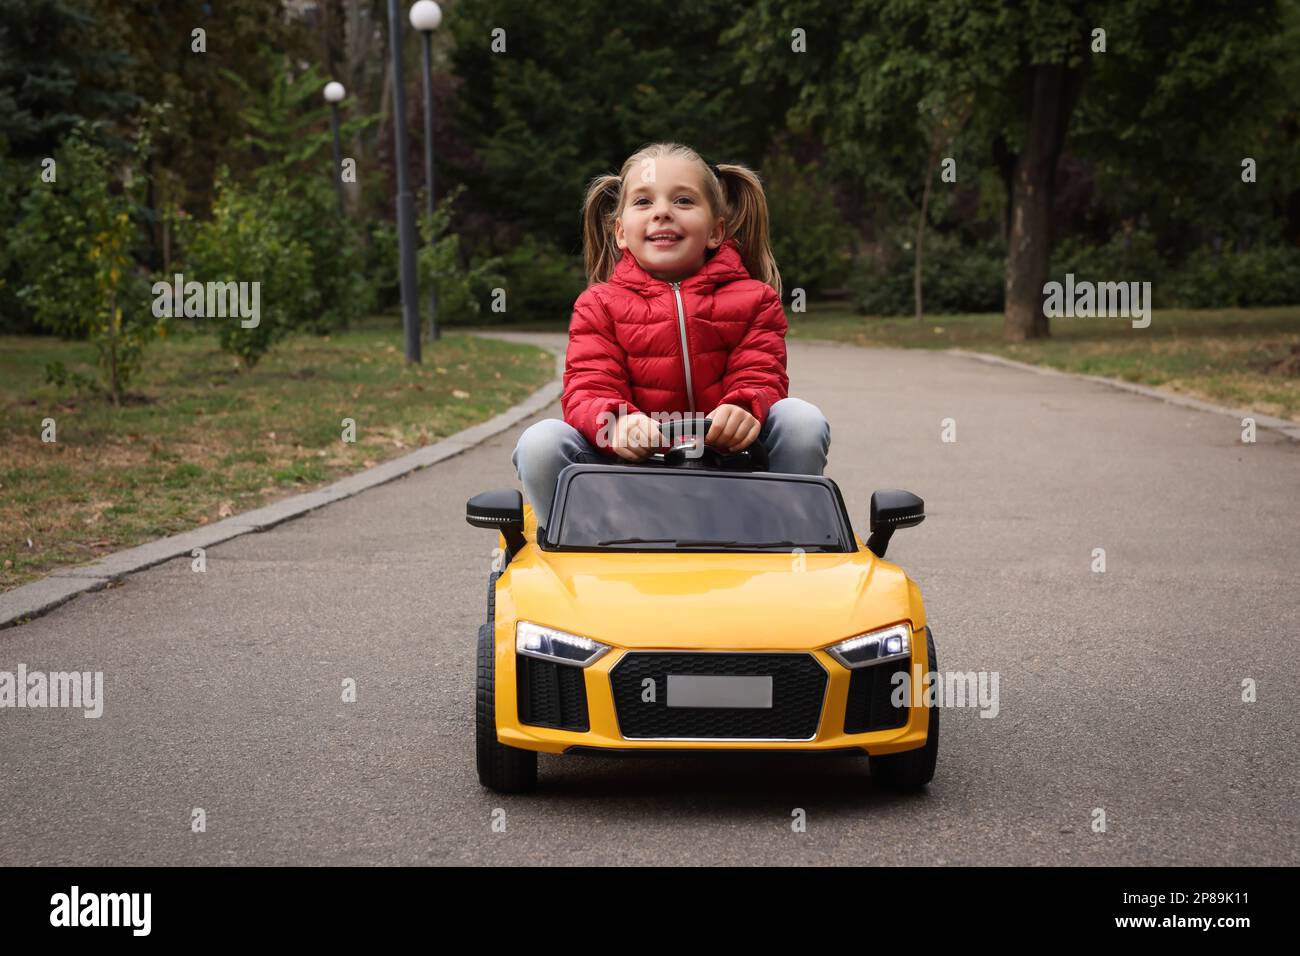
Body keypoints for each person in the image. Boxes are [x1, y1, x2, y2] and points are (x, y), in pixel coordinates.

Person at [512, 142, 831, 527]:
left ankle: (787, 535)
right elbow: (588, 387)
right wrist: (617, 423)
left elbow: (761, 374)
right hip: (629, 475)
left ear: (715, 231)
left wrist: (744, 407)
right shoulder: (598, 305)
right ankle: (577, 548)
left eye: (683, 201)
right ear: (620, 233)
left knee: (801, 420)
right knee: (541, 442)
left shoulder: (756, 300)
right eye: (644, 202)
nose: (662, 212)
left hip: (733, 468)